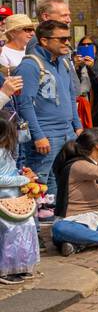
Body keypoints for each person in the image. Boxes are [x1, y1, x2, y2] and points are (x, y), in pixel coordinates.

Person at [14, 20, 81, 212]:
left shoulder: (63, 62)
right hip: (46, 133)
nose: (67, 43)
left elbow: (70, 96)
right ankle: (31, 232)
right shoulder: (30, 65)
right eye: (61, 39)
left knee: (61, 181)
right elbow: (24, 105)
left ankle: (56, 224)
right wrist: (38, 135)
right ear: (44, 41)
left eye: (68, 38)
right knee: (36, 184)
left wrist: (77, 125)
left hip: (67, 132)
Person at [0, 114, 39, 284]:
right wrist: (24, 180)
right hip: (4, 200)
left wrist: (22, 173)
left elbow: (10, 172)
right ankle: (5, 269)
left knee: (26, 227)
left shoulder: (7, 151)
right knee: (9, 232)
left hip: (15, 198)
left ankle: (21, 265)